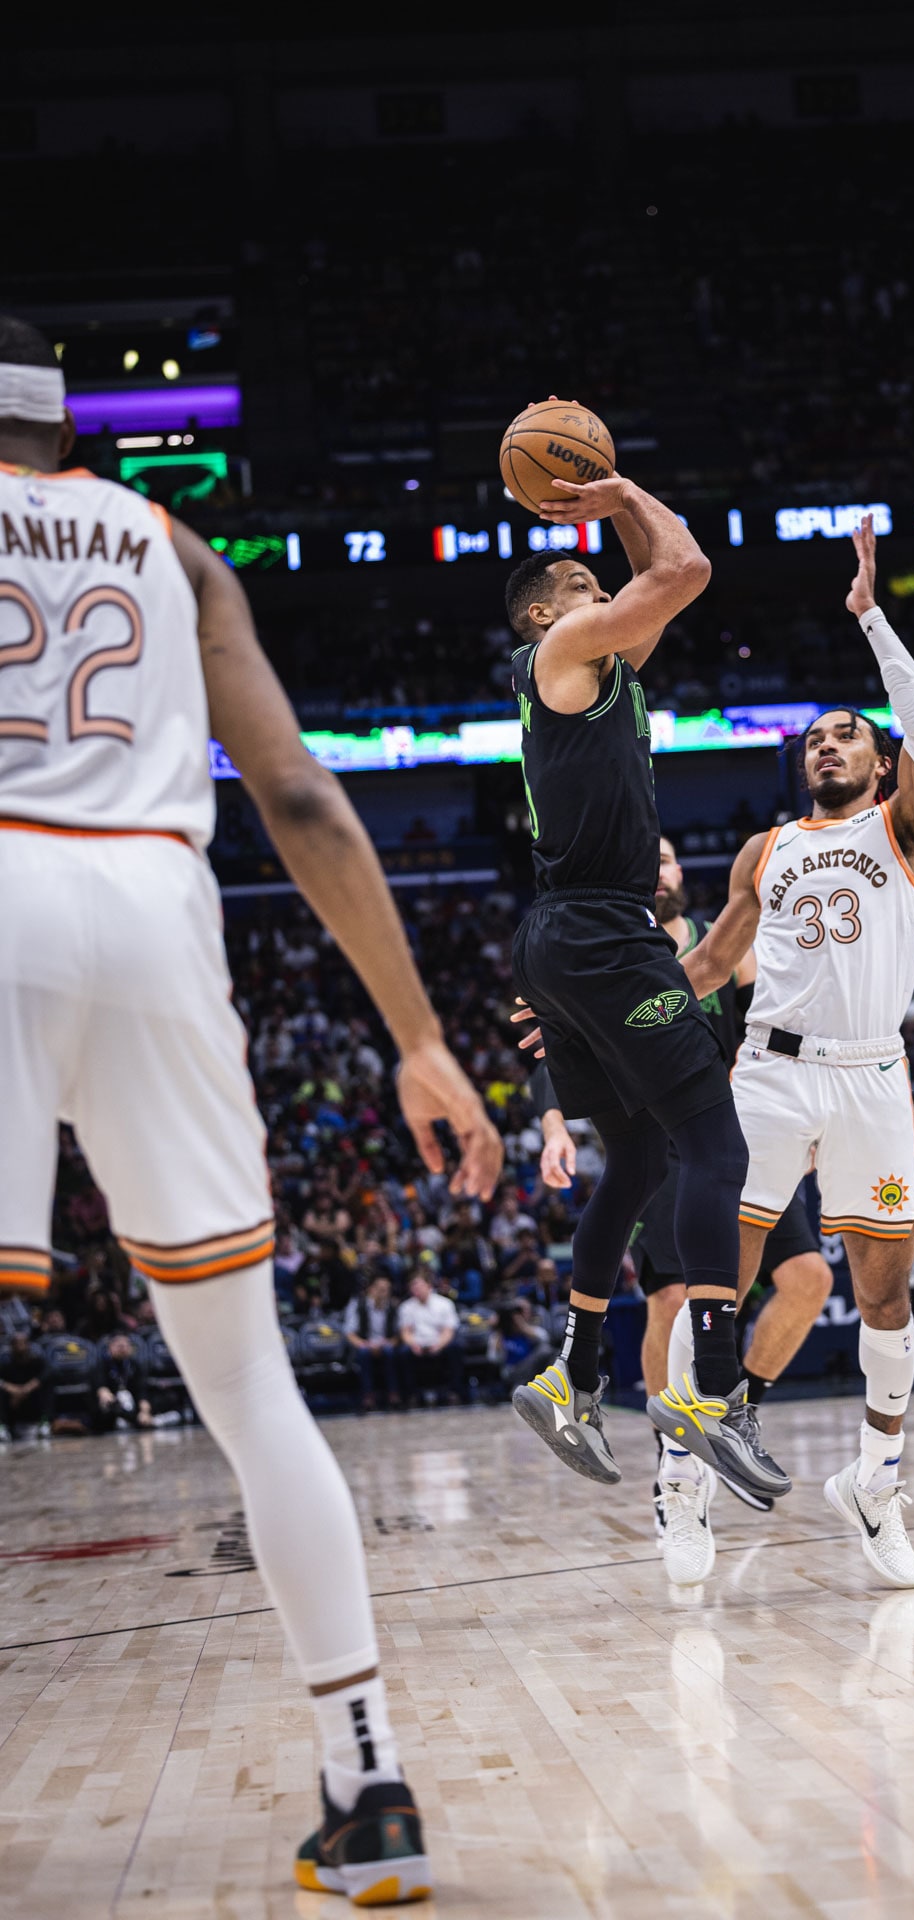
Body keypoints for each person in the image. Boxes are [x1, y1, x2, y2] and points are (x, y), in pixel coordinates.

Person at [0, 317, 503, 1907]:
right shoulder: (180, 551)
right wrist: (419, 1039)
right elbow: (296, 795)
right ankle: (371, 1784)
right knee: (248, 1385)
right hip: (159, 915)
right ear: (67, 424)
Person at [504, 430, 788, 1503]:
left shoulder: (593, 667)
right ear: (544, 614)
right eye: (579, 583)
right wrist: (618, 486)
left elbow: (655, 588)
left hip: (560, 937)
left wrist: (611, 512)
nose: (601, 586)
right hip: (605, 933)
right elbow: (685, 571)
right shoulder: (565, 651)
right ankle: (712, 1387)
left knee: (628, 1158)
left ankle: (573, 1374)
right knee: (712, 1142)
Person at [674, 515, 914, 1589]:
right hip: (770, 1076)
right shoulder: (768, 847)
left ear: (875, 760)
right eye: (813, 738)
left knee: (884, 1293)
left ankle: (874, 1481)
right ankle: (684, 1472)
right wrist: (599, 1009)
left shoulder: (903, 829)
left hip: (872, 1075)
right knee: (718, 1284)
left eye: (843, 734)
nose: (823, 745)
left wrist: (870, 618)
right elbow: (703, 968)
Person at [528, 832, 830, 1585]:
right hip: (662, 1144)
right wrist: (553, 1123)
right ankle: (677, 1485)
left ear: (679, 873)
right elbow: (547, 1042)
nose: (655, 867)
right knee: (668, 1300)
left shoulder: (720, 942)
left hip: (738, 1127)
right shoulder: (609, 948)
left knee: (810, 1283)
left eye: (664, 857)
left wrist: (803, 1105)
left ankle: (732, 1417)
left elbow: (770, 1020)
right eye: (645, 857)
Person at [396, 1266, 463, 1403]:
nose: (416, 1289)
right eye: (413, 1286)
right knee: (403, 1352)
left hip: (440, 1342)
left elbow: (448, 1330)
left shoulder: (444, 1303)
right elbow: (406, 1332)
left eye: (419, 1285)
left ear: (429, 1285)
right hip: (417, 1344)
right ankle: (412, 1395)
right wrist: (413, 1344)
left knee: (455, 1347)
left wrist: (439, 1345)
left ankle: (454, 1392)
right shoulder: (406, 1307)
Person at [343, 1275, 402, 1410]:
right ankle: (368, 1396)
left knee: (389, 1352)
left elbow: (398, 1335)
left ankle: (394, 1394)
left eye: (387, 1290)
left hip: (386, 1344)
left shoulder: (393, 1307)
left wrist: (389, 1342)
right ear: (371, 1289)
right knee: (363, 1353)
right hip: (365, 1344)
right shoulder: (359, 1305)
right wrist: (364, 1344)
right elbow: (350, 1333)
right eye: (381, 1289)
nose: (384, 1293)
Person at [93, 1330, 154, 1431]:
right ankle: (140, 1422)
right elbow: (102, 1389)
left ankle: (143, 1420)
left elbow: (141, 1391)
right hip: (113, 1405)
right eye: (119, 1346)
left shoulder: (134, 1365)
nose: (123, 1349)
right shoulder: (101, 1365)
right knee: (109, 1404)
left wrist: (144, 1412)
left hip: (132, 1405)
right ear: (110, 1346)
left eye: (126, 1345)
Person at [0, 1330, 52, 1440]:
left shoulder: (37, 1362)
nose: (20, 1347)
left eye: (22, 1343)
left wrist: (27, 1388)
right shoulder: (6, 1366)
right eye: (17, 1344)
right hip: (12, 1402)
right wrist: (11, 1389)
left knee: (47, 1386)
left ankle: (44, 1423)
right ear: (11, 1346)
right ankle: (2, 1427)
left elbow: (48, 1373)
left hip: (32, 1399)